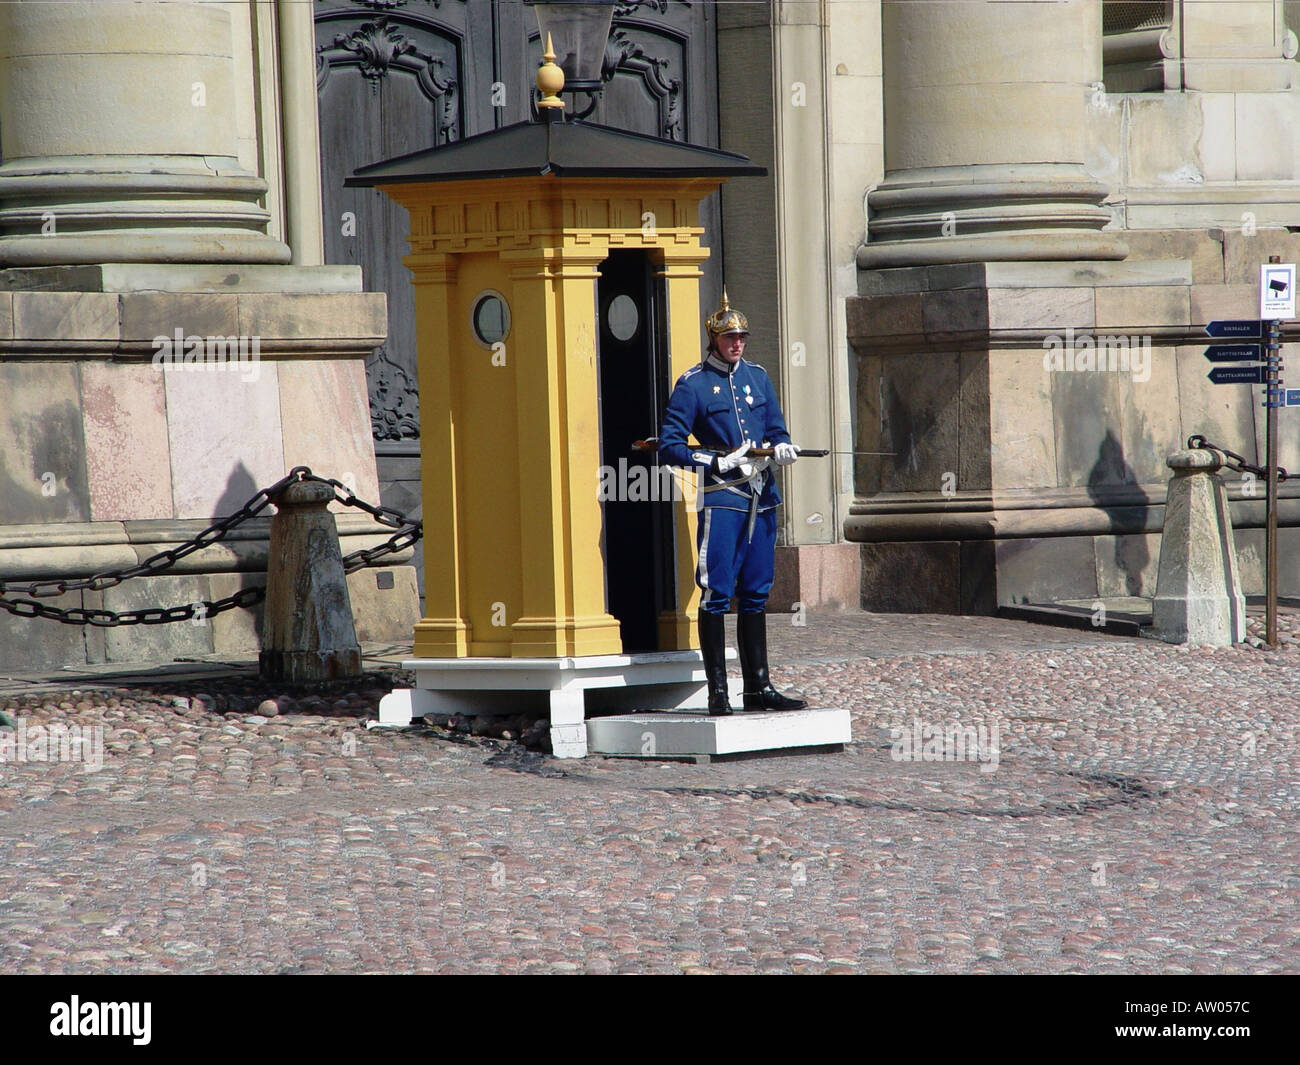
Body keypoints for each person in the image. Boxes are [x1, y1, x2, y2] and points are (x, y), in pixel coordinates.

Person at [657, 290, 808, 716]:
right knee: (717, 593)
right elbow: (670, 445)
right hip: (723, 497)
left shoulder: (758, 377)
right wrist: (716, 459)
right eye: (729, 338)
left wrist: (782, 447)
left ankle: (758, 688)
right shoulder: (693, 384)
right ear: (714, 340)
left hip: (761, 496)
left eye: (741, 336)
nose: (737, 344)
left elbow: (776, 428)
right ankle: (718, 693)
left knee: (757, 593)